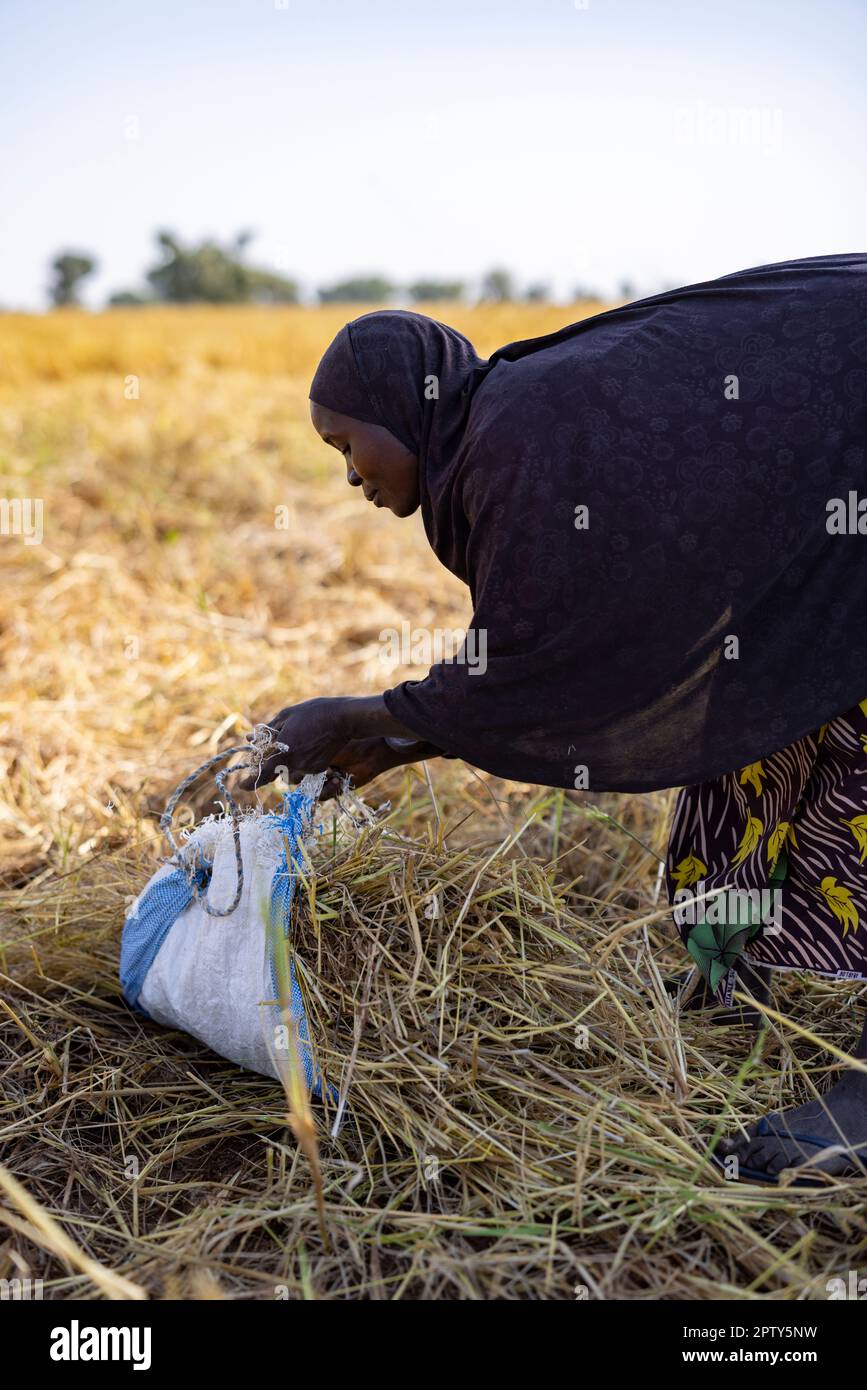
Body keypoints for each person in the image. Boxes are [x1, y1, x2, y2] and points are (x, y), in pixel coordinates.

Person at [242, 254, 867, 1182]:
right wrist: (395, 735)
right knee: (750, 727)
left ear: (402, 408)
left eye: (345, 446)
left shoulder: (510, 439)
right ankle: (729, 977)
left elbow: (534, 667)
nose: (348, 478)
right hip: (808, 520)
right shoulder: (497, 430)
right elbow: (601, 651)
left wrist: (360, 715)